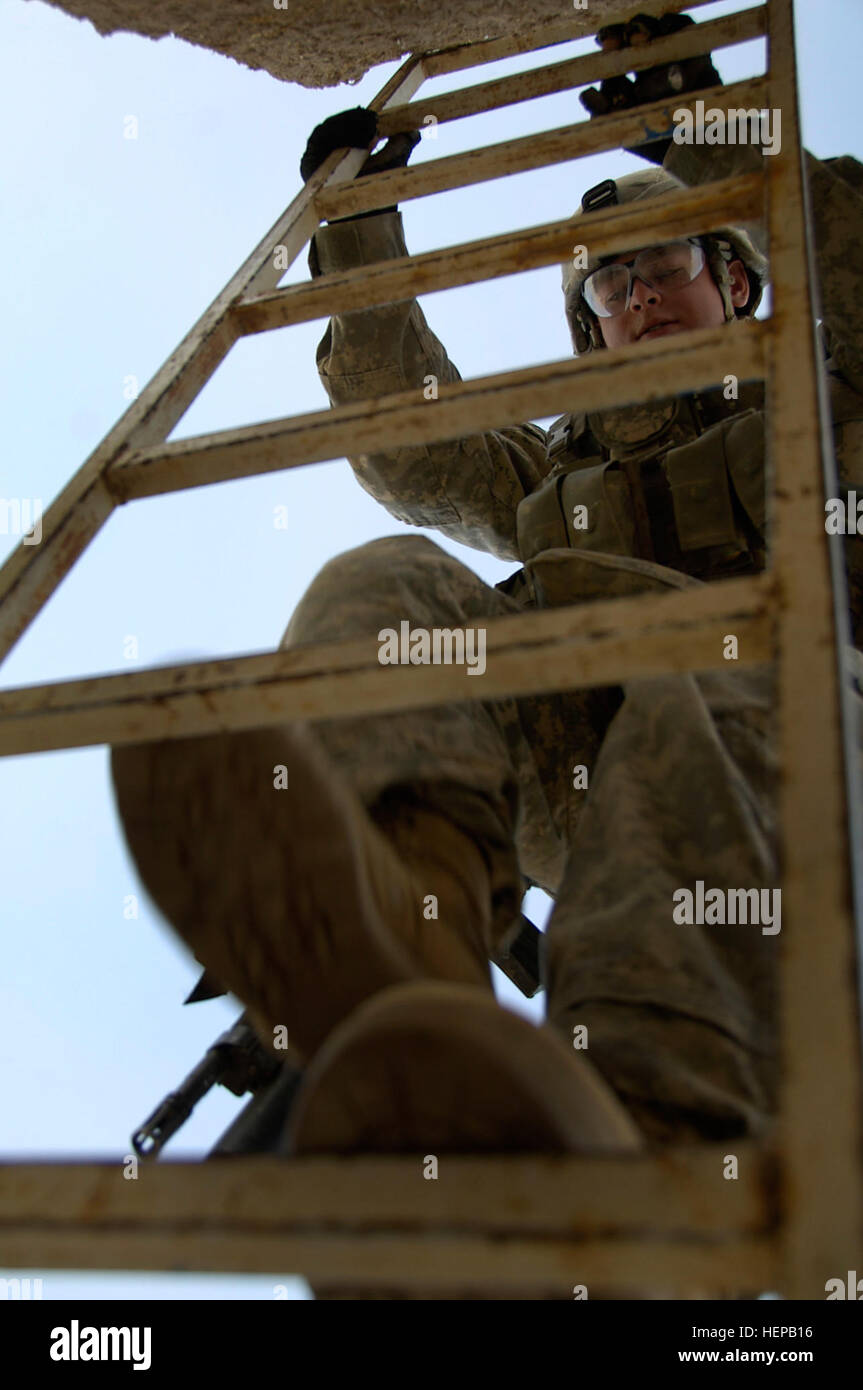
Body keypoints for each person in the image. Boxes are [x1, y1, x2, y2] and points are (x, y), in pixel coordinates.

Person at [110, 18, 863, 1159]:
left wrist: (698, 126)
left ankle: (646, 1126)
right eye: (612, 283)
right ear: (589, 322)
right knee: (391, 582)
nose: (641, 296)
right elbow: (403, 440)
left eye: (664, 262)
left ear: (735, 282)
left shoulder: (819, 395)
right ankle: (393, 964)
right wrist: (361, 237)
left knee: (702, 700)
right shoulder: (556, 472)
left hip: (779, 730)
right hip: (570, 743)